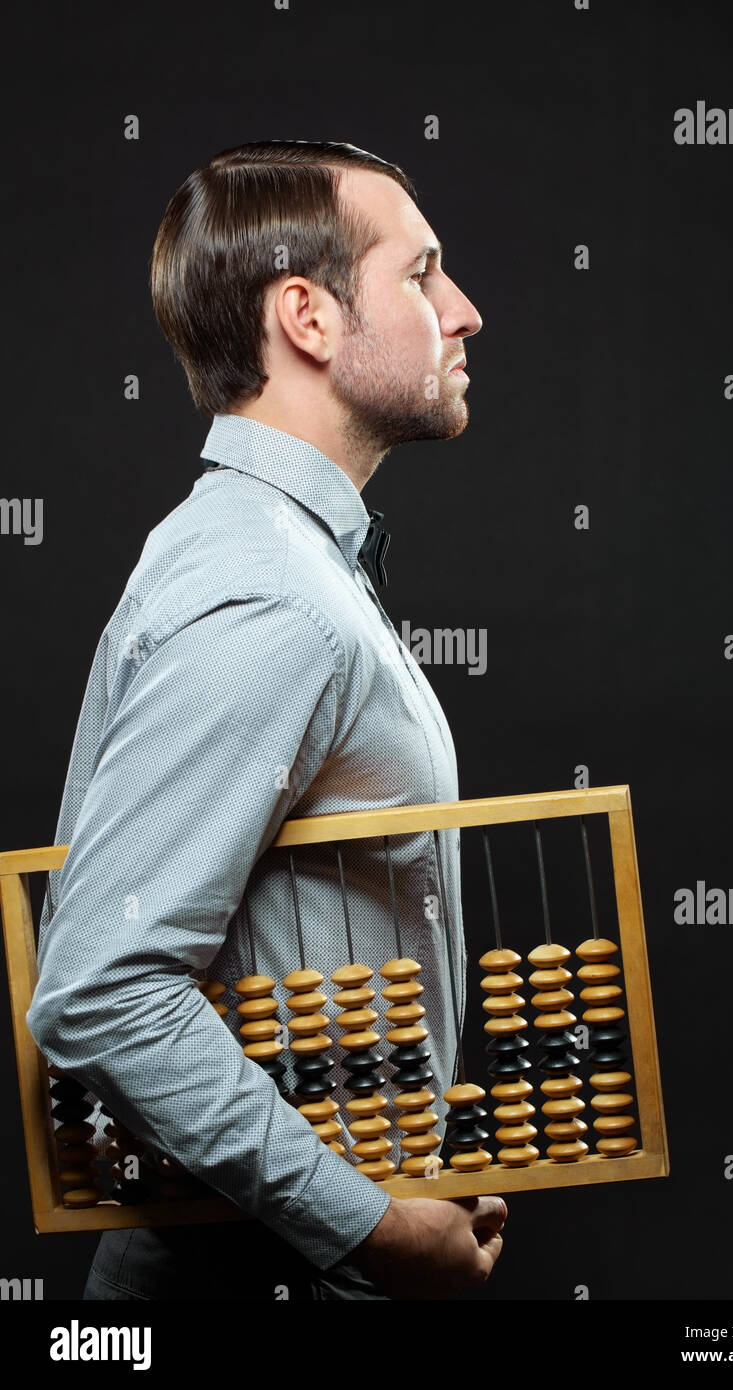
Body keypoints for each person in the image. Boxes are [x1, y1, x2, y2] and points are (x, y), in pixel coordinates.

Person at [26, 140, 506, 1301]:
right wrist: (369, 1227)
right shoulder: (264, 591)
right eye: (420, 272)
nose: (465, 312)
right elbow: (99, 989)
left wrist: (403, 1161)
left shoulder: (281, 557)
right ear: (308, 317)